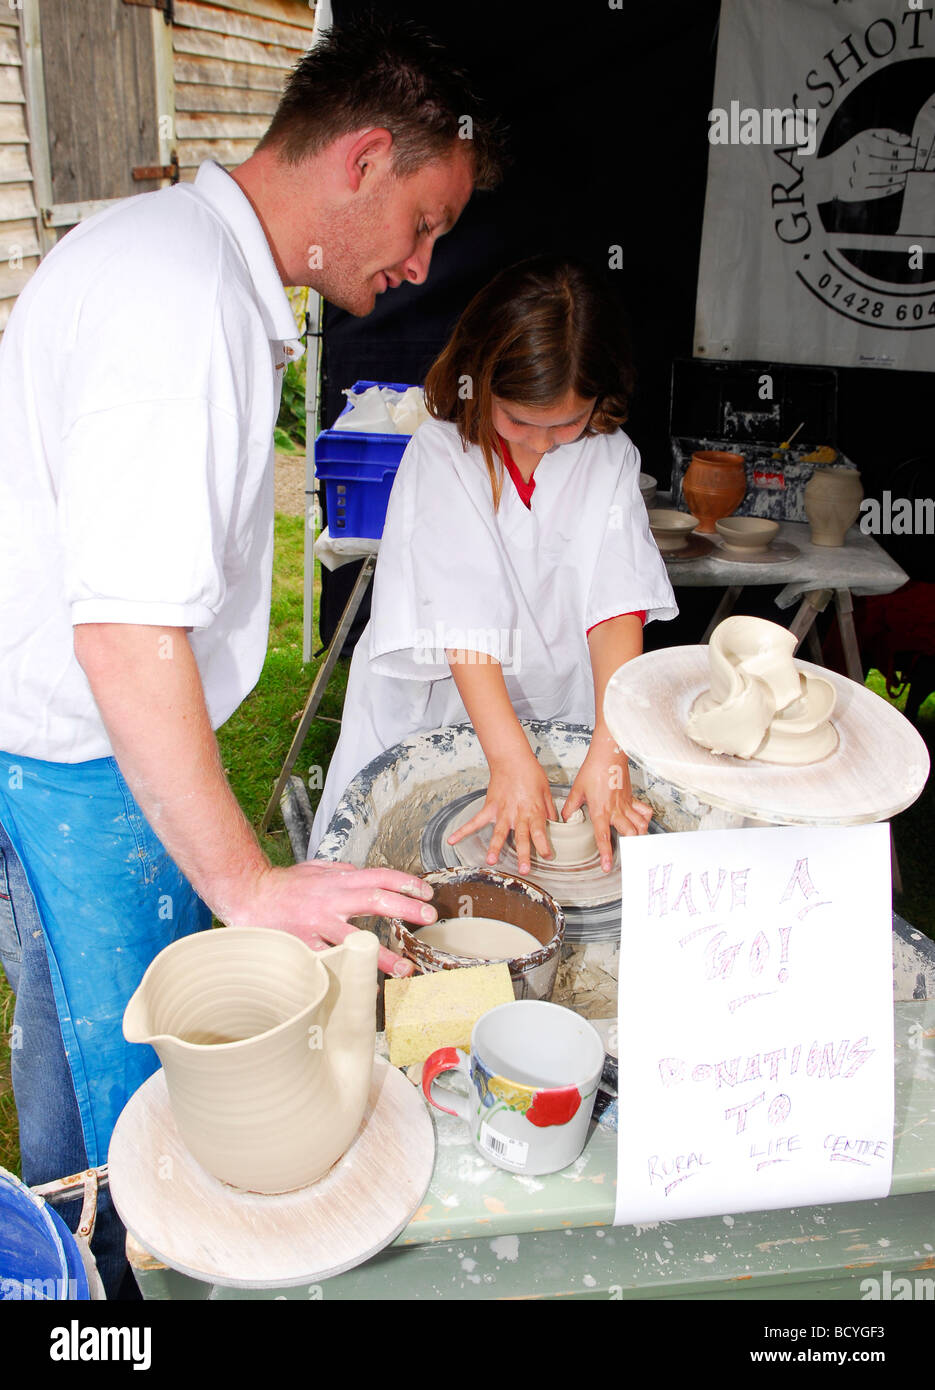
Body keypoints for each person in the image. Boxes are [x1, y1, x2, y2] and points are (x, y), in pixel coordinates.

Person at [0, 15, 503, 1297]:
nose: (421, 265)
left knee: (77, 1024)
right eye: (424, 224)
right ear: (365, 158)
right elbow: (124, 630)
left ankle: (74, 1261)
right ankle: (116, 1308)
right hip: (82, 751)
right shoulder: (181, 305)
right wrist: (245, 882)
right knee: (164, 1100)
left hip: (73, 732)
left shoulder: (168, 256)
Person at [309, 256, 678, 871]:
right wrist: (507, 756)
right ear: (477, 379)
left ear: (601, 396)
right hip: (438, 699)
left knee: (541, 870)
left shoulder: (609, 456)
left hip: (560, 694)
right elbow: (463, 620)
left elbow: (616, 607)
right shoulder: (441, 454)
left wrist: (611, 749)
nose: (538, 441)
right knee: (408, 863)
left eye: (564, 424)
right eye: (518, 420)